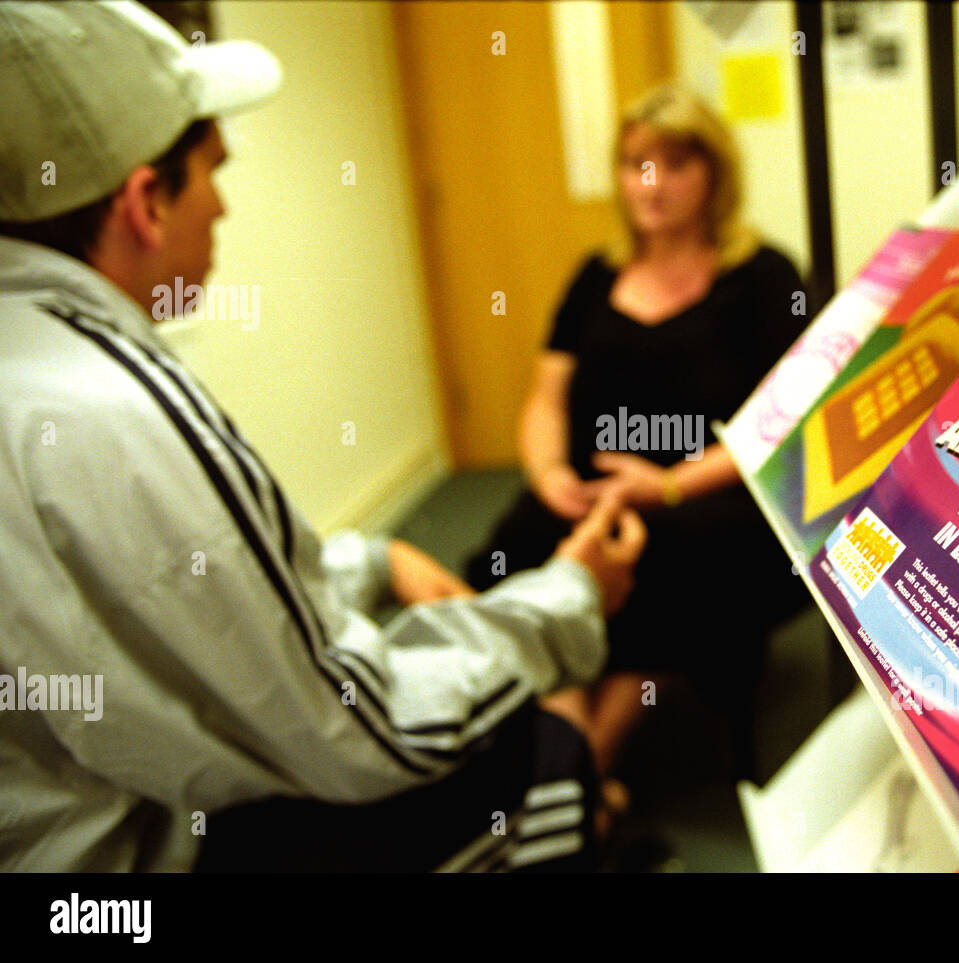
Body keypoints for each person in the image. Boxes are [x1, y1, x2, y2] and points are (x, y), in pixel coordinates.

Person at [0, 0, 644, 872]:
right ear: (146, 202)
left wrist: (371, 563)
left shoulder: (33, 365)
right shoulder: (115, 406)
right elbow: (365, 730)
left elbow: (153, 603)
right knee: (534, 750)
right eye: (214, 173)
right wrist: (569, 599)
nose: (224, 209)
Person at [467, 85, 810, 791]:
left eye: (674, 163)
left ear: (714, 172)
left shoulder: (764, 277)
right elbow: (546, 397)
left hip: (708, 491)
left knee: (665, 567)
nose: (650, 184)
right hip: (588, 487)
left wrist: (668, 484)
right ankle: (571, 755)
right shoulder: (595, 275)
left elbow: (786, 421)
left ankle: (585, 771)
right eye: (634, 163)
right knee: (520, 555)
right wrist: (545, 470)